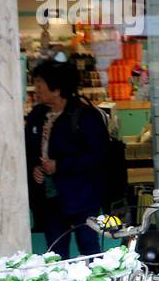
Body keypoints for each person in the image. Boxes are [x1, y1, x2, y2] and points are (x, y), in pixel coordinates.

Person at [24, 58, 107, 258]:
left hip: (81, 195)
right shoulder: (38, 114)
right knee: (55, 249)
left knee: (88, 246)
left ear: (57, 89)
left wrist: (60, 165)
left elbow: (97, 155)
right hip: (49, 197)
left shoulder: (84, 116)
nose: (36, 89)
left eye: (40, 84)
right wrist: (35, 166)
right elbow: (27, 148)